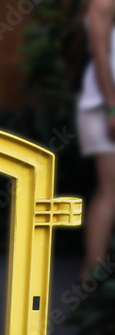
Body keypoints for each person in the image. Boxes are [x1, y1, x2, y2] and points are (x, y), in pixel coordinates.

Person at [78, 0, 115, 281]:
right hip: (102, 106)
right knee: (110, 191)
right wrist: (111, 108)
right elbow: (100, 52)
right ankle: (92, 278)